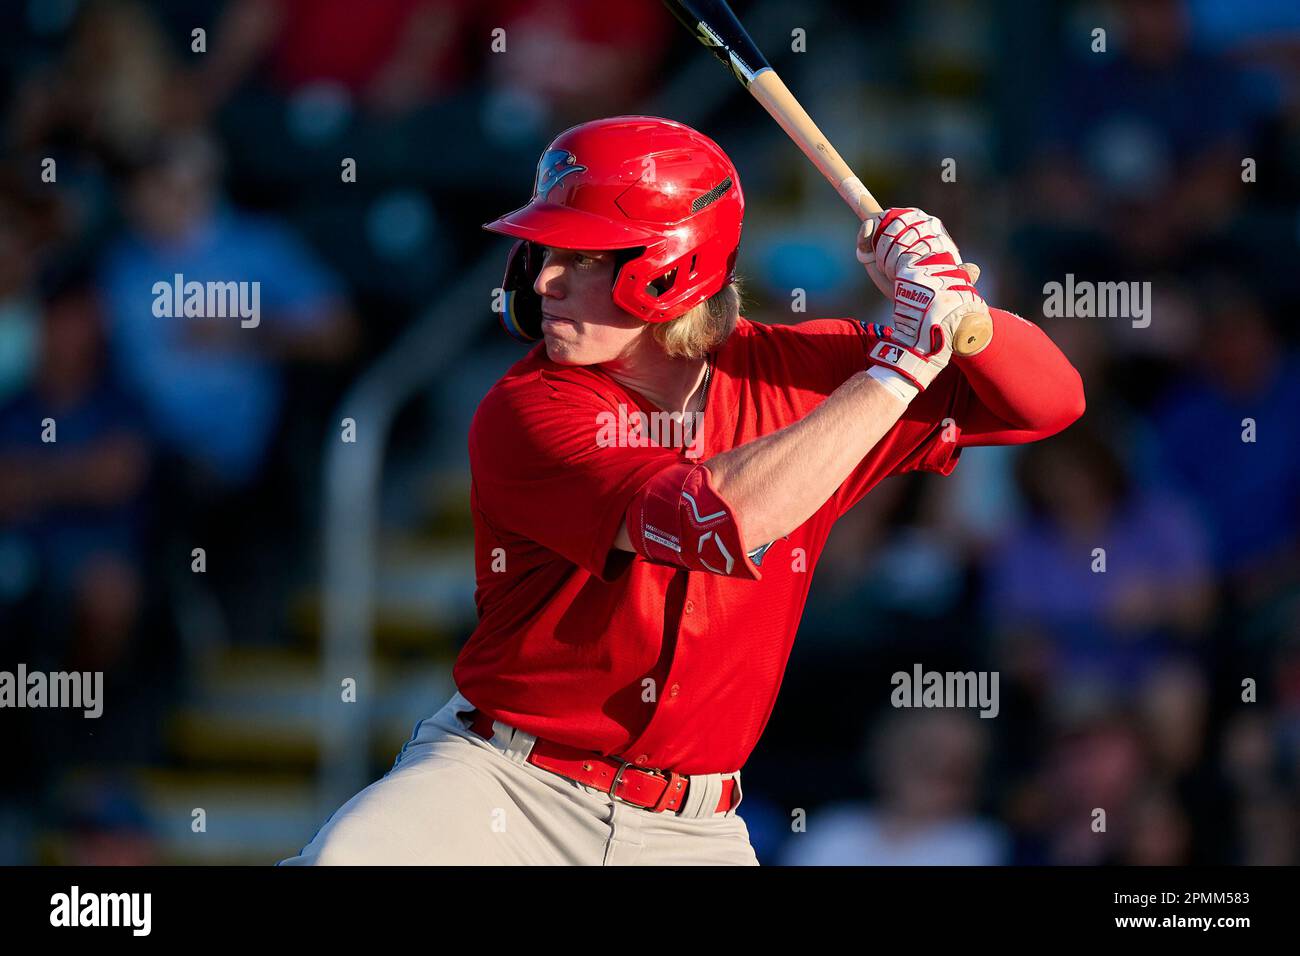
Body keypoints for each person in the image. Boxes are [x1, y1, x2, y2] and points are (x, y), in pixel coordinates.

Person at [281, 116, 1084, 865]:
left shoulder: (808, 375)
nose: (546, 280)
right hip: (500, 786)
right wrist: (902, 368)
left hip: (691, 828)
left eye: (585, 257)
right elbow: (716, 519)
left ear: (673, 267)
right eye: (543, 253)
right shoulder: (528, 407)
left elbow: (1049, 401)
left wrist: (963, 308)